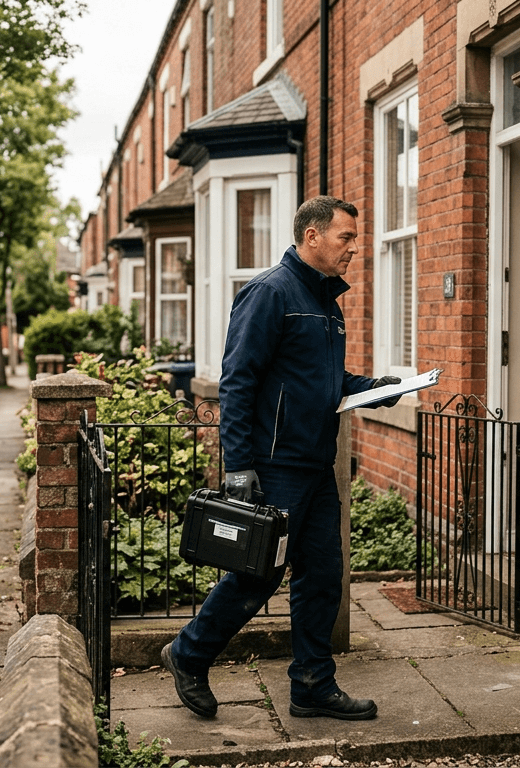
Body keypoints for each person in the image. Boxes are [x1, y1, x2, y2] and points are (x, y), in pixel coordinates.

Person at [161, 196, 401, 721]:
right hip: (274, 465)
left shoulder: (326, 302)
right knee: (258, 575)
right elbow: (238, 381)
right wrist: (238, 466)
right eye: (345, 237)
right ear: (312, 236)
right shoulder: (271, 293)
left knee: (323, 576)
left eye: (355, 239)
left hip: (316, 465)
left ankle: (312, 684)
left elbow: (325, 381)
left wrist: (376, 388)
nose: (353, 249)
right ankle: (188, 653)